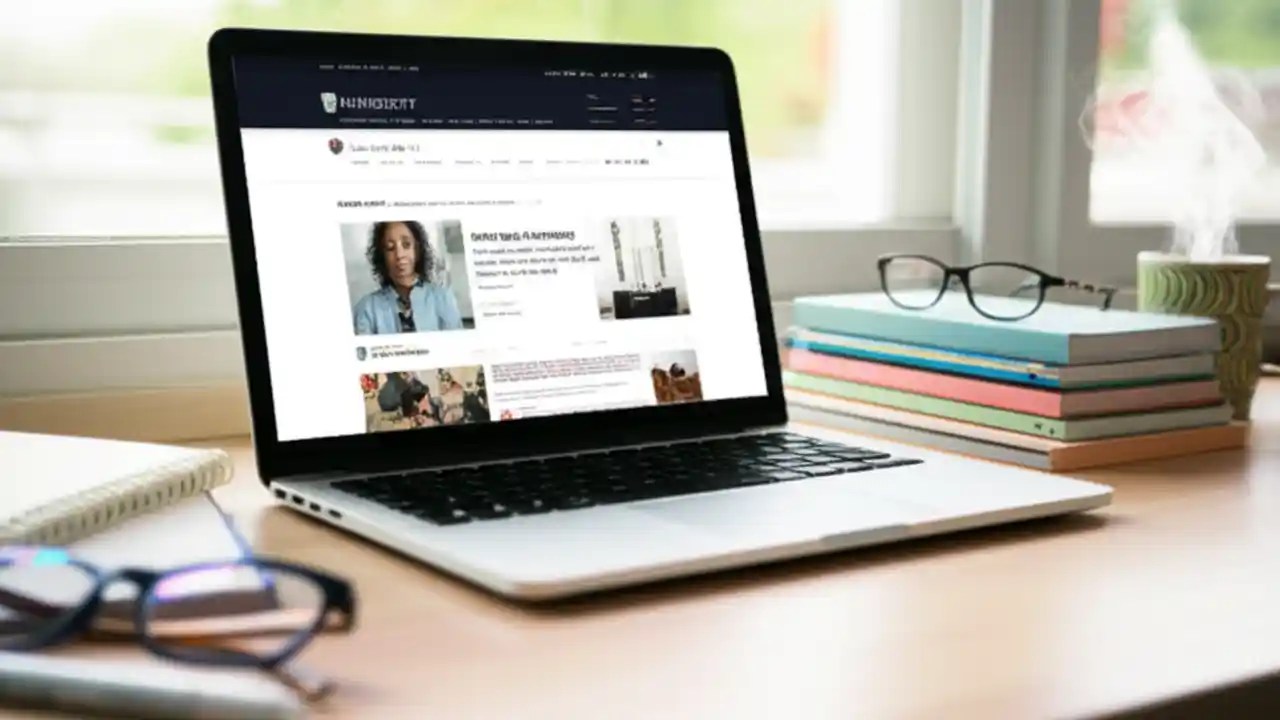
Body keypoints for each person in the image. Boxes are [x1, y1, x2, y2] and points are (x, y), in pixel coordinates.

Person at [353, 221, 463, 335]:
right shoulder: (366, 309)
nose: (399, 255)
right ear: (382, 256)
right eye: (390, 248)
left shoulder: (442, 298)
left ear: (417, 250)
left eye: (406, 245)